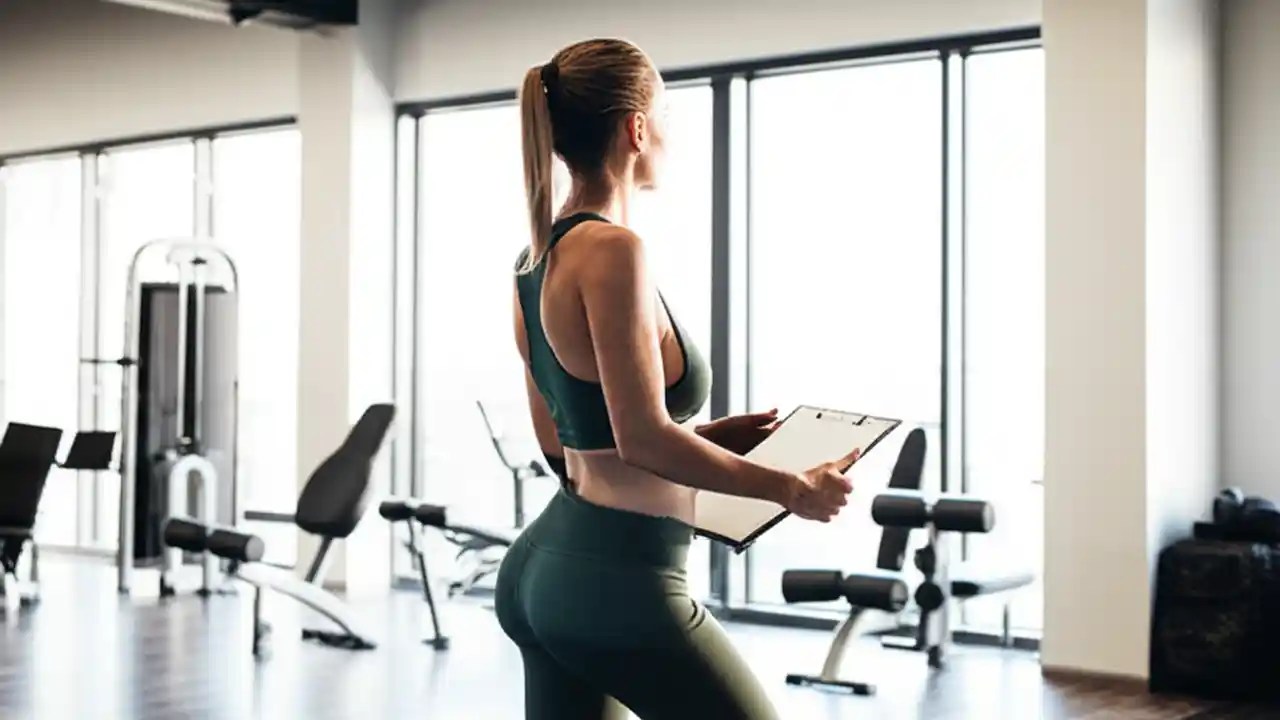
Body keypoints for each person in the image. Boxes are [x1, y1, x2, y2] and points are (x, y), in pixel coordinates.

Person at [493, 38, 860, 720]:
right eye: (664, 114)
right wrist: (792, 488)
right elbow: (642, 441)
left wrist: (709, 438)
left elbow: (570, 447)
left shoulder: (534, 259)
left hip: (543, 568)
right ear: (636, 128)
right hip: (620, 579)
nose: (668, 130)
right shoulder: (615, 251)